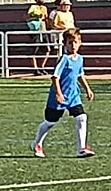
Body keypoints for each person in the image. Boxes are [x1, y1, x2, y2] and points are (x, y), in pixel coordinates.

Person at [30, 28, 95, 159]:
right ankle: (37, 143)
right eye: (70, 43)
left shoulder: (80, 59)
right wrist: (58, 94)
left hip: (73, 96)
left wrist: (88, 89)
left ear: (80, 43)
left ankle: (81, 148)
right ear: (65, 44)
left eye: (75, 42)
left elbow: (80, 75)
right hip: (58, 98)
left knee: (82, 117)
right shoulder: (64, 59)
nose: (73, 45)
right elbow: (55, 77)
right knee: (50, 122)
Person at [26, 0, 52, 74]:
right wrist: (37, 16)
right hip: (36, 31)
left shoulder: (44, 8)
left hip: (44, 31)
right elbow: (29, 16)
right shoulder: (33, 7)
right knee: (34, 51)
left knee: (47, 50)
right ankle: (35, 69)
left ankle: (42, 67)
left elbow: (46, 18)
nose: (43, 0)